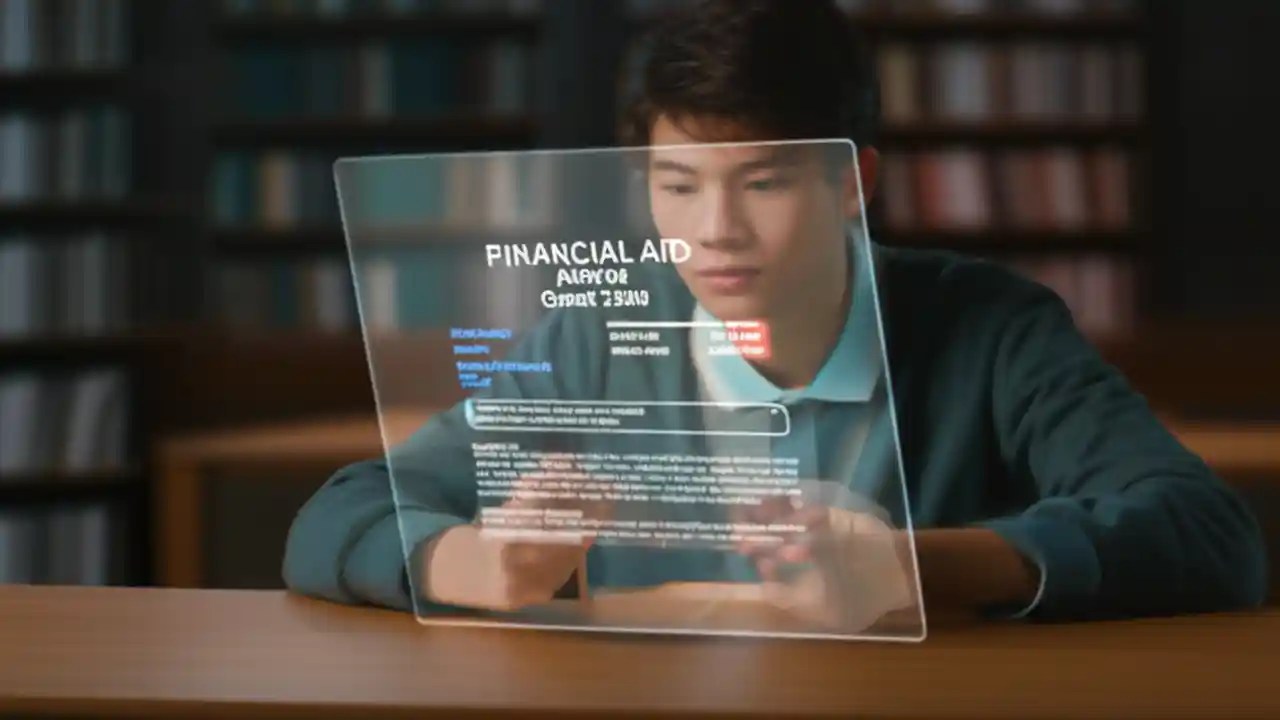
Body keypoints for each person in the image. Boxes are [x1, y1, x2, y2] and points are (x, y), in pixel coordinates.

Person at [283, 0, 1267, 624]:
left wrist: (919, 571)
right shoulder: (597, 335)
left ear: (852, 182)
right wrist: (465, 561)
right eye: (675, 186)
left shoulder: (991, 328)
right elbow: (337, 513)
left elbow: (1211, 535)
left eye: (762, 183)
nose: (714, 233)